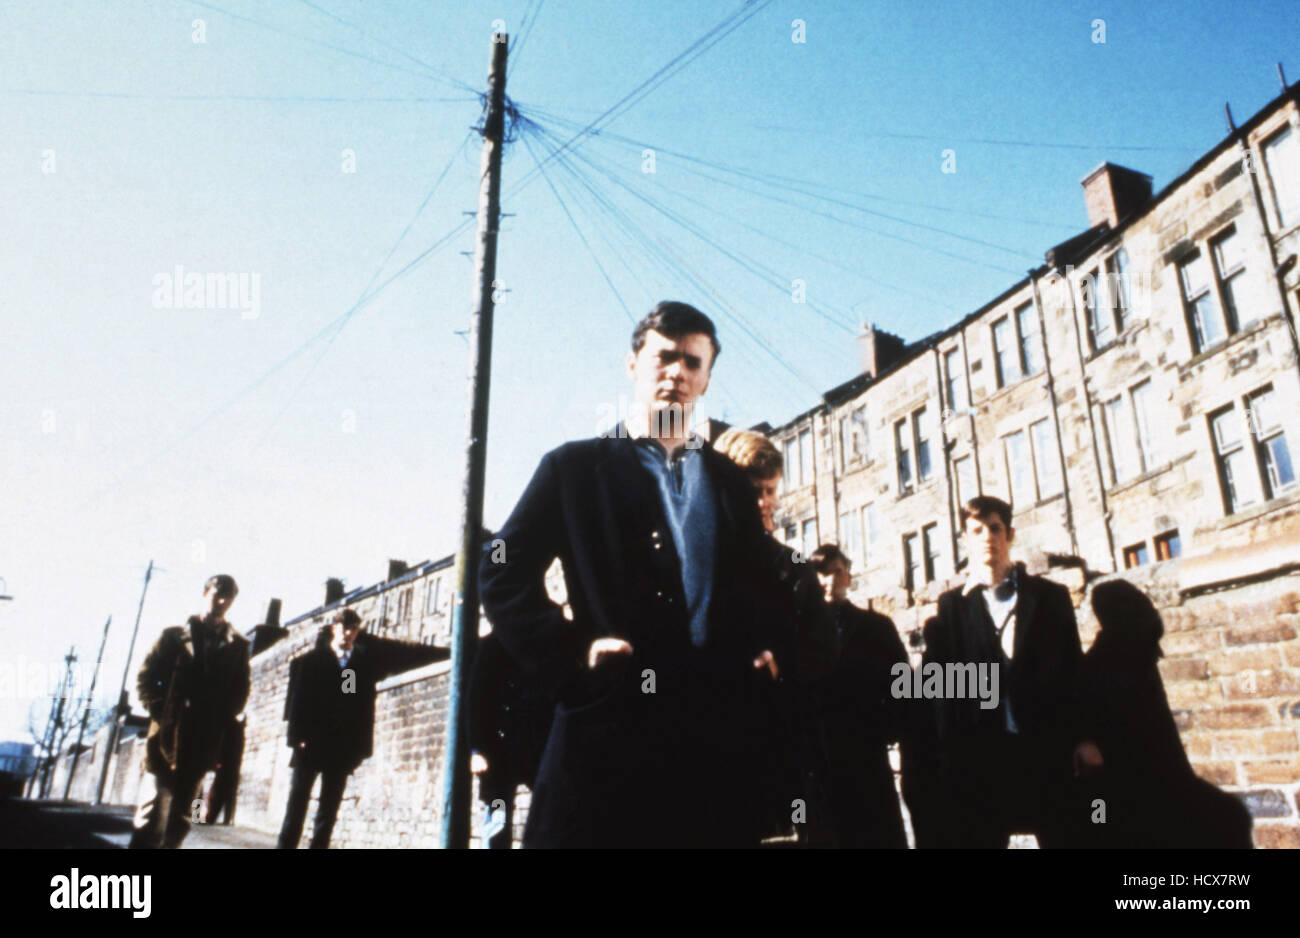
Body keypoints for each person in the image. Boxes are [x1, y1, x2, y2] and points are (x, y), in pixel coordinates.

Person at [479, 300, 794, 848]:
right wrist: (572, 650)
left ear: (707, 378)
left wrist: (771, 648)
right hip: (609, 729)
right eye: (664, 357)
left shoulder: (728, 485)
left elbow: (762, 583)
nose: (678, 373)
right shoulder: (575, 470)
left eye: (693, 363)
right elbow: (501, 569)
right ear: (633, 366)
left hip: (710, 743)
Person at [904, 496, 1102, 848]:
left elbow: (1073, 671)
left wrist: (1085, 738)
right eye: (977, 530)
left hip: (1045, 750)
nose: (987, 538)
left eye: (995, 528)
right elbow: (944, 693)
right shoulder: (953, 607)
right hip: (981, 759)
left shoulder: (1049, 597)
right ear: (966, 539)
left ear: (1009, 533)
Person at [713, 426, 837, 846]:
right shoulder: (688, 564)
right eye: (754, 491)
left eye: (771, 490)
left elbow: (824, 650)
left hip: (780, 760)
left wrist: (781, 661)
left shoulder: (793, 568)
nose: (765, 502)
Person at [1077, 580, 1252, 848]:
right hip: (1125, 797)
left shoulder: (1135, 660)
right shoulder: (1105, 668)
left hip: (1159, 787)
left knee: (1230, 818)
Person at [277, 608, 442, 849]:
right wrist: (297, 738)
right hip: (310, 744)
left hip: (340, 747)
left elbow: (357, 705)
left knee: (329, 807)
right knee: (297, 804)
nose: (347, 633)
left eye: (352, 628)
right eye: (343, 627)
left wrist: (360, 748)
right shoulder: (312, 661)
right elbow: (298, 702)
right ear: (334, 629)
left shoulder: (356, 666)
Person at [130, 574, 250, 849]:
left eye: (228, 597)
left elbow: (240, 693)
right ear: (205, 592)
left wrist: (219, 721)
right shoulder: (173, 637)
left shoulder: (238, 646)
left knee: (182, 819)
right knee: (152, 817)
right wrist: (165, 712)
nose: (221, 602)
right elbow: (145, 680)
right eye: (216, 594)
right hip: (164, 741)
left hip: (202, 744)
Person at [809, 544, 909, 848]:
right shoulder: (801, 629)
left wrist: (885, 729)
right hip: (821, 757)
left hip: (867, 752)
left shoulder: (876, 627)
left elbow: (901, 685)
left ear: (848, 578)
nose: (829, 580)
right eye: (822, 573)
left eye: (836, 572)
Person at [466, 631, 554, 848]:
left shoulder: (545, 642)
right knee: (498, 816)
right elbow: (475, 700)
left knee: (549, 810)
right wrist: (477, 750)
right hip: (498, 753)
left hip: (536, 747)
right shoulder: (491, 646)